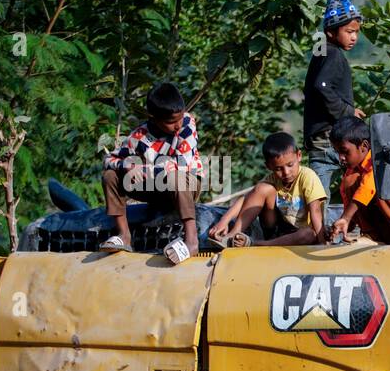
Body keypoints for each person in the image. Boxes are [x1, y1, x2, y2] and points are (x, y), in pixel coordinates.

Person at [100, 82, 204, 254]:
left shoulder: (187, 124)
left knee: (175, 176)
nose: (177, 125)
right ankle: (124, 236)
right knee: (110, 175)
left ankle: (191, 241)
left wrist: (142, 169)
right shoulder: (139, 136)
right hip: (157, 188)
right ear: (153, 117)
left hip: (186, 183)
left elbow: (182, 164)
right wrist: (126, 165)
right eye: (171, 122)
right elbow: (108, 159)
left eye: (179, 118)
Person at [322, 115, 390, 245]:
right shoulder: (350, 175)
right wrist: (337, 227)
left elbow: (368, 188)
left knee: (382, 184)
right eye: (338, 152)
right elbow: (351, 214)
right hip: (385, 232)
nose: (341, 158)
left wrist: (346, 217)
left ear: (364, 146)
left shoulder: (382, 161)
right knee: (350, 181)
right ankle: (373, 237)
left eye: (345, 152)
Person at [207, 132, 326, 246]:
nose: (286, 172)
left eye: (290, 165)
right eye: (279, 169)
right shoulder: (272, 178)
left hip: (301, 234)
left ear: (299, 156)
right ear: (268, 166)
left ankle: (256, 244)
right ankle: (232, 237)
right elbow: (247, 199)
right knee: (262, 189)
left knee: (308, 234)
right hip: (277, 230)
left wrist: (322, 243)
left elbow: (315, 210)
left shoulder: (307, 176)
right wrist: (224, 220)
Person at [304, 0, 365, 197]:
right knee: (364, 175)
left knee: (319, 194)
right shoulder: (333, 54)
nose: (354, 37)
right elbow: (321, 86)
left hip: (318, 136)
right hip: (328, 136)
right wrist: (347, 112)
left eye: (356, 32)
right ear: (330, 32)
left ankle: (318, 226)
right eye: (349, 31)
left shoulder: (321, 52)